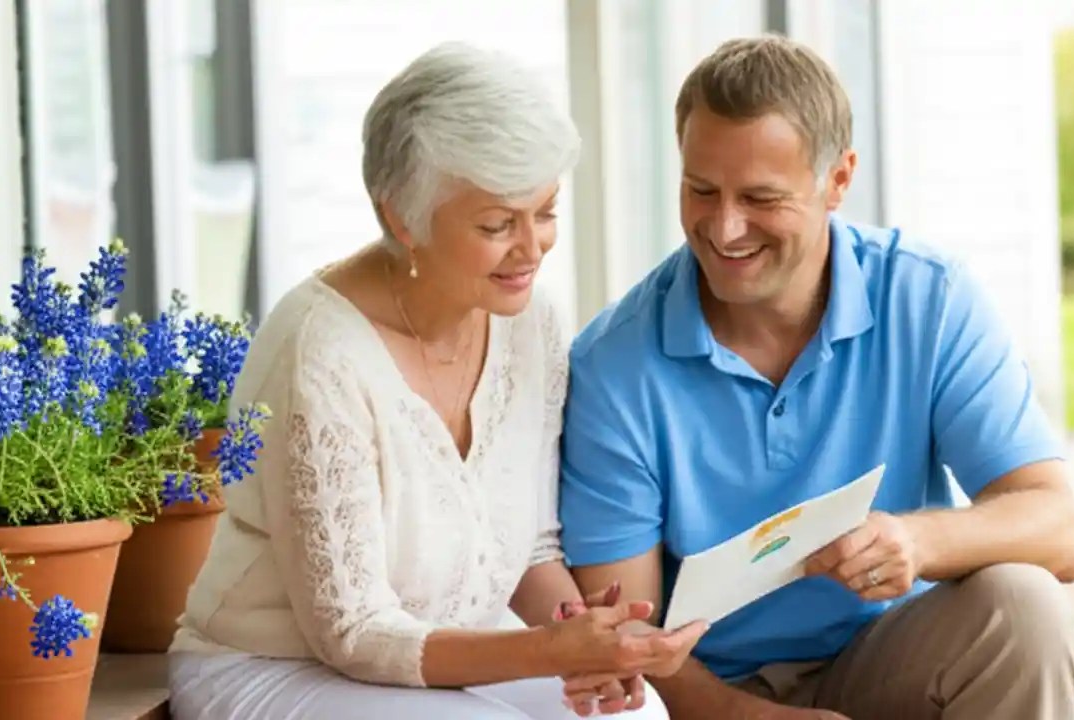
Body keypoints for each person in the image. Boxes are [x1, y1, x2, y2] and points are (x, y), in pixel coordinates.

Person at [167, 42, 706, 720]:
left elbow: (532, 544)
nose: (532, 247)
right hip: (276, 667)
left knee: (636, 716)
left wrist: (589, 643)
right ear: (402, 218)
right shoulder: (321, 355)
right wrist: (549, 653)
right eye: (496, 224)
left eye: (544, 212)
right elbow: (354, 633)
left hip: (459, 653)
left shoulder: (526, 320)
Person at [557, 36, 1074, 720]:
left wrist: (918, 541)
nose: (724, 227)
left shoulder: (928, 299)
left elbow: (1058, 526)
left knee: (1027, 604)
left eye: (760, 197)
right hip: (711, 691)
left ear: (838, 180)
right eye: (701, 190)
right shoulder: (612, 365)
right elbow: (627, 637)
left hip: (892, 652)